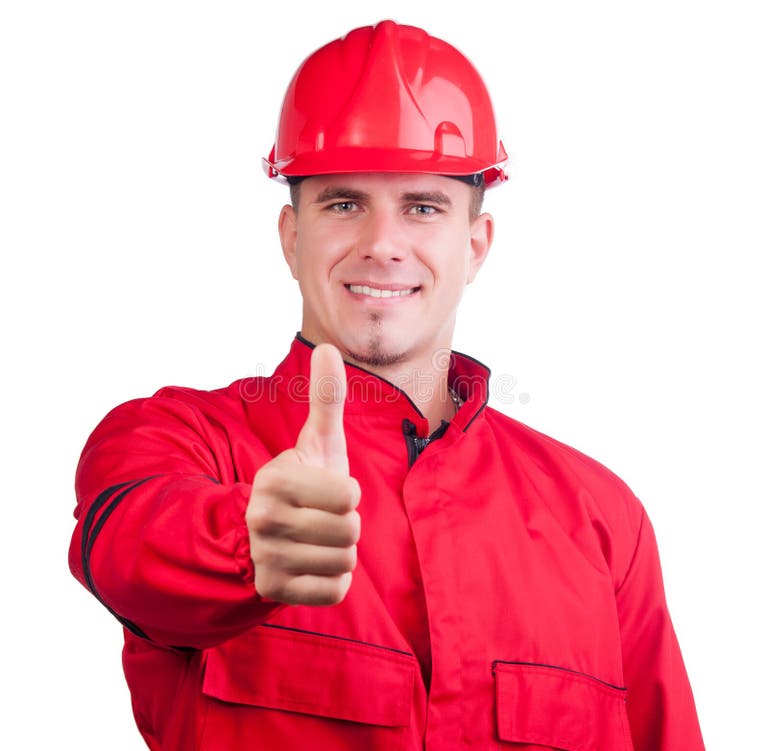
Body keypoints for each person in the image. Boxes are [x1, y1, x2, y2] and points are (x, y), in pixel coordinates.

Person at [69, 20, 705, 750]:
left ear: (475, 244)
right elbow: (126, 544)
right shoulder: (182, 439)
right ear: (291, 236)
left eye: (423, 206)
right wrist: (247, 544)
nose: (381, 241)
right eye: (344, 203)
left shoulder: (602, 522)